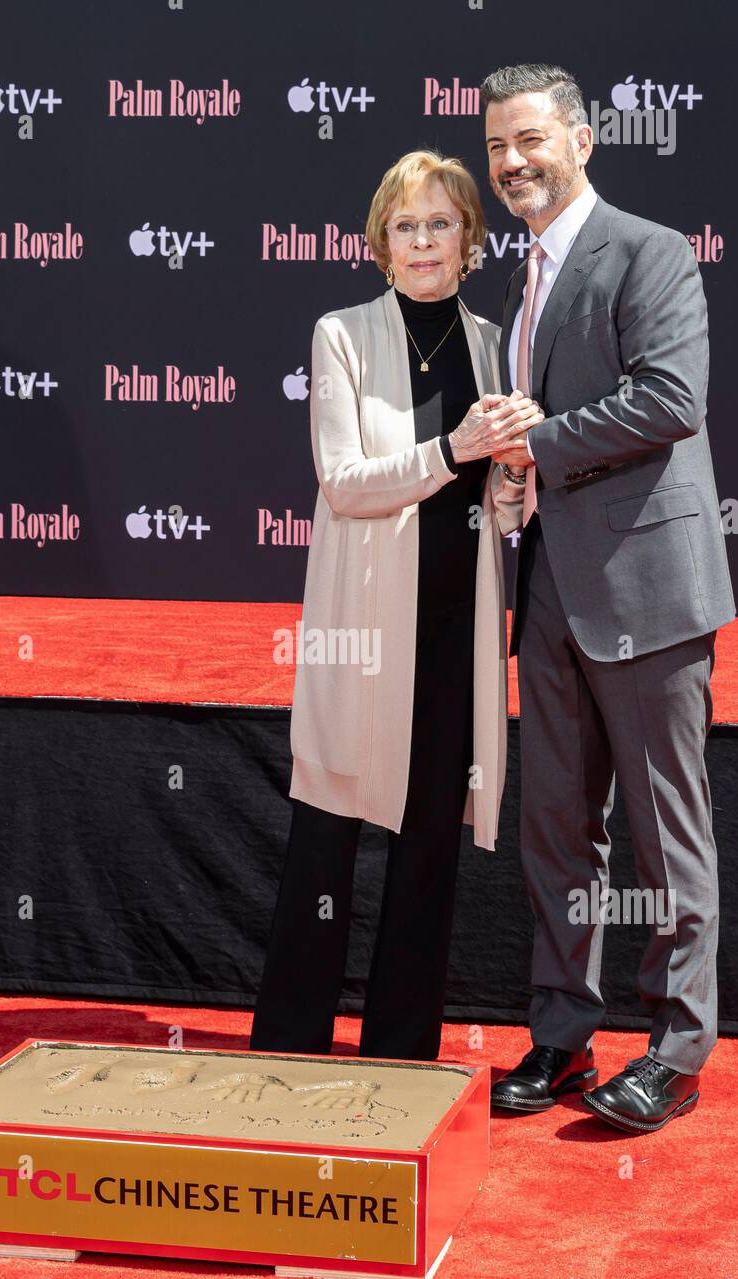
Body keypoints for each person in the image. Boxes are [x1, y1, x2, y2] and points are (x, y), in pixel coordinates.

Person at [480, 64, 736, 1132]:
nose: (510, 164)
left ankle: (675, 1050)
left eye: (529, 140)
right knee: (553, 826)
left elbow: (670, 399)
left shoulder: (648, 251)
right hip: (546, 589)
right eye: (495, 148)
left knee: (663, 831)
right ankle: (560, 1032)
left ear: (582, 140)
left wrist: (528, 446)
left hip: (644, 587)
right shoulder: (520, 275)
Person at [249, 149, 542, 1062]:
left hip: (455, 629)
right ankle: (293, 1046)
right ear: (382, 242)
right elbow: (344, 484)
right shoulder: (341, 334)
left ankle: (401, 1053)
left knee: (429, 849)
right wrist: (455, 447)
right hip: (360, 633)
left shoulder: (498, 343)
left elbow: (500, 506)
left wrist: (512, 480)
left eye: (441, 223)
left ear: (469, 240)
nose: (424, 240)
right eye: (407, 225)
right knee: (325, 835)